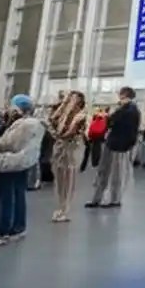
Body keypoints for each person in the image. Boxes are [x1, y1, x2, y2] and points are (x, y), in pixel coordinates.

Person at [0, 94, 47, 247]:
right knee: (18, 194)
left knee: (6, 197)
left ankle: (3, 231)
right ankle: (17, 228)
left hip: (11, 163)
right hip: (22, 163)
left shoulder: (24, 125)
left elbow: (9, 144)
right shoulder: (34, 124)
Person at [86, 87, 141, 209]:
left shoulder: (129, 110)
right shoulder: (127, 110)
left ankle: (112, 199)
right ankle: (100, 198)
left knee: (115, 173)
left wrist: (108, 117)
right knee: (104, 171)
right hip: (113, 143)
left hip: (119, 145)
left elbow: (116, 122)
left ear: (125, 96)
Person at [49, 90, 87, 222]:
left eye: (73, 98)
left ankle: (65, 209)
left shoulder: (81, 115)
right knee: (59, 176)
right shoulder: (63, 113)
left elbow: (71, 131)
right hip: (60, 146)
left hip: (71, 148)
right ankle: (59, 206)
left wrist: (58, 135)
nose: (70, 100)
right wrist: (62, 104)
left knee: (68, 178)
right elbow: (52, 119)